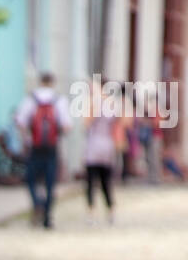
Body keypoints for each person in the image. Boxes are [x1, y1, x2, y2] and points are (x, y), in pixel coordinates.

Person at [15, 71, 71, 228]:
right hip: (52, 147)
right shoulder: (59, 100)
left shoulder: (30, 99)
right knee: (50, 182)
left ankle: (37, 202)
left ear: (40, 82)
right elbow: (67, 126)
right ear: (53, 83)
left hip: (35, 146)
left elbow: (20, 122)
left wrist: (27, 137)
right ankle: (47, 216)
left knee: (31, 179)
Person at [84, 85, 119, 221]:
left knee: (91, 181)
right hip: (108, 145)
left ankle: (91, 212)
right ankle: (111, 211)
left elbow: (86, 123)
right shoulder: (113, 104)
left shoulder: (94, 102)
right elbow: (121, 123)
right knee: (106, 181)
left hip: (94, 145)